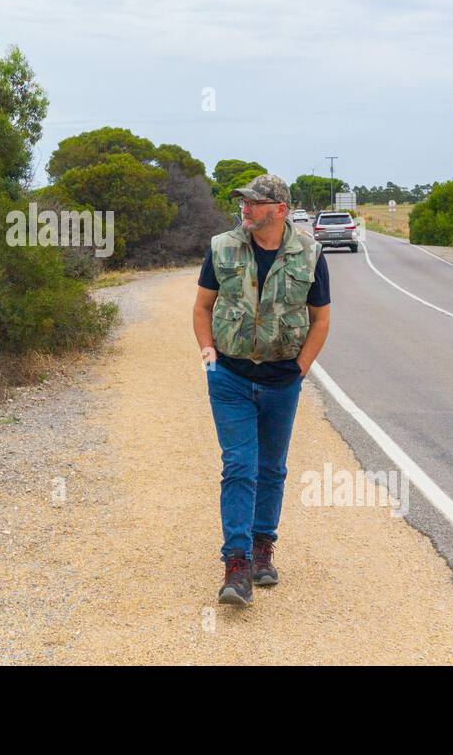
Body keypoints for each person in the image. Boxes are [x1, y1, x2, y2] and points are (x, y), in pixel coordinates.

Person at [192, 174, 331, 607]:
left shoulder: (309, 254)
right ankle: (236, 564)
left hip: (281, 381)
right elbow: (202, 307)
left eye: (254, 203)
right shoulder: (222, 248)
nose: (245, 209)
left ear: (280, 209)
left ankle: (261, 549)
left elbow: (320, 318)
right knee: (239, 465)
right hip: (230, 378)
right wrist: (209, 359)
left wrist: (300, 369)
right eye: (243, 203)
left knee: (271, 468)